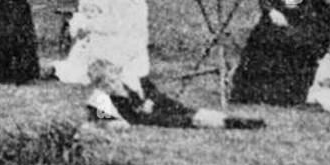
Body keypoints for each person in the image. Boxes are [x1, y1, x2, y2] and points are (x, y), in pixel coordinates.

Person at [51, 0, 150, 91]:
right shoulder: (101, 0)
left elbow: (131, 35)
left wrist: (93, 27)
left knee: (119, 73)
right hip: (101, 50)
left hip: (126, 52)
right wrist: (82, 28)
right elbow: (86, 22)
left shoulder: (137, 3)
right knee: (80, 60)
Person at [86, 59, 265, 130]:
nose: (112, 86)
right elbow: (105, 119)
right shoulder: (101, 101)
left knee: (185, 110)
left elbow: (155, 93)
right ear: (99, 87)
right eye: (106, 85)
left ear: (117, 74)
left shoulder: (132, 83)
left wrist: (149, 100)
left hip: (158, 105)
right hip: (146, 118)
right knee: (182, 120)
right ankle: (232, 124)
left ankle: (233, 119)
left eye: (112, 80)